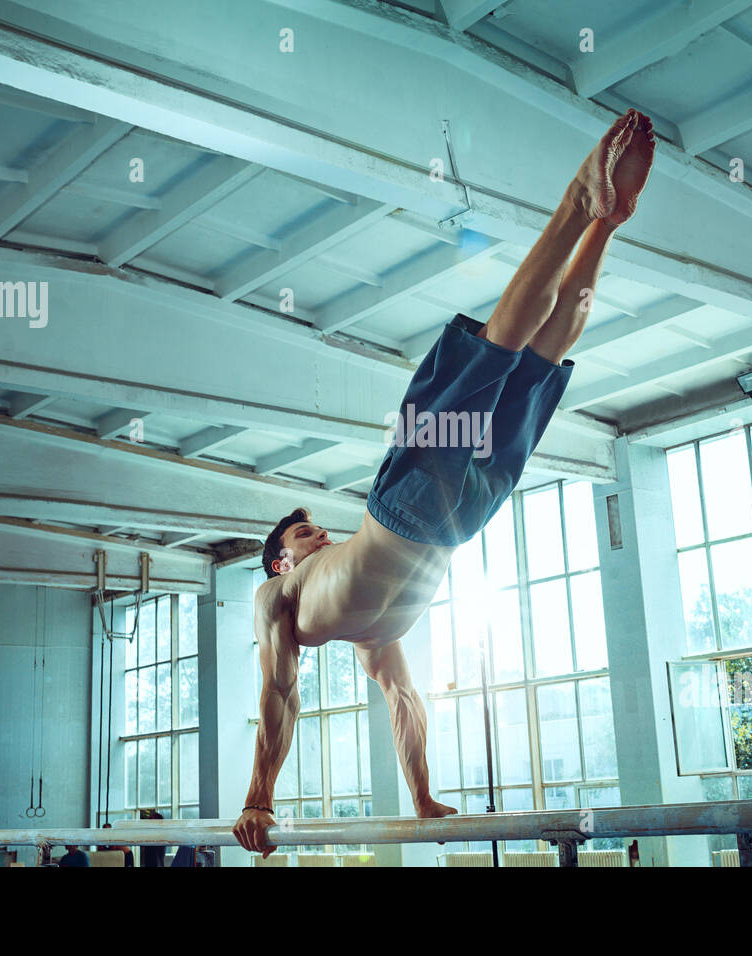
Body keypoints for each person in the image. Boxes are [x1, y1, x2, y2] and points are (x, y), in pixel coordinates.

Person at [234, 111, 656, 857]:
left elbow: (401, 705)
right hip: (452, 516)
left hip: (417, 513)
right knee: (528, 366)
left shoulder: (359, 621)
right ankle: (598, 218)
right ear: (279, 562)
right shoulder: (286, 601)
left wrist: (422, 794)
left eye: (314, 527)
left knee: (512, 357)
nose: (319, 533)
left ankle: (589, 214)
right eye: (302, 534)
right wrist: (258, 799)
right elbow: (282, 695)